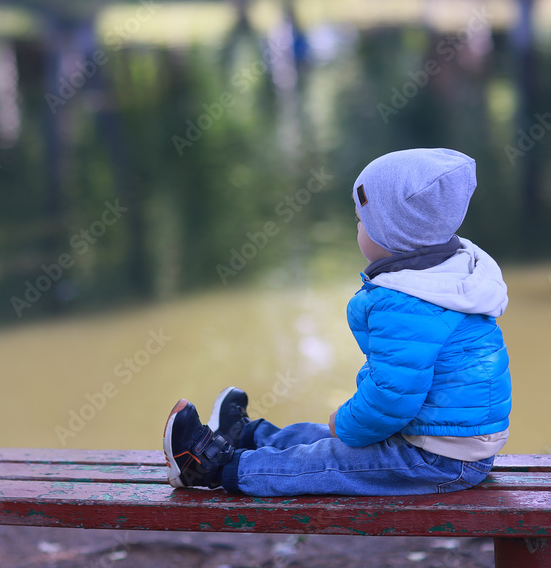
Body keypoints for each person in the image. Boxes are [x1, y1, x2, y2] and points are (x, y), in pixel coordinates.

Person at [162, 148, 511, 496]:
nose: (357, 227)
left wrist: (344, 423)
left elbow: (391, 399)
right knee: (329, 437)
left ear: (391, 235)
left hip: (438, 459)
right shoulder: (447, 276)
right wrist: (345, 425)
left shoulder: (409, 304)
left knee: (327, 458)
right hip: (444, 440)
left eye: (362, 221)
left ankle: (209, 468)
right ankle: (250, 436)